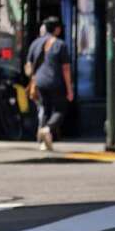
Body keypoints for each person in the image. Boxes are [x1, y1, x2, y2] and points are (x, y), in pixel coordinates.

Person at [26, 16, 73, 152]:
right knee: (60, 109)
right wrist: (69, 88)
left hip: (39, 81)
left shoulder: (35, 43)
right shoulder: (60, 44)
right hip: (55, 81)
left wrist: (33, 78)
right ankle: (48, 129)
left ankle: (43, 142)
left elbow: (28, 65)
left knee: (45, 109)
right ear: (57, 29)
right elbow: (66, 68)